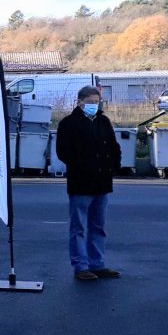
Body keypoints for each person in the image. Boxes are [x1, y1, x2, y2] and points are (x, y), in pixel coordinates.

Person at [56, 85, 121, 280]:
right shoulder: (68, 123)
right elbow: (63, 152)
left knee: (98, 226)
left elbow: (114, 146)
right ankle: (81, 266)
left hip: (102, 182)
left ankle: (97, 264)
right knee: (78, 228)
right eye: (90, 102)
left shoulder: (103, 121)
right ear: (80, 102)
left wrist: (113, 166)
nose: (94, 105)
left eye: (96, 102)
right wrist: (82, 167)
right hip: (81, 183)